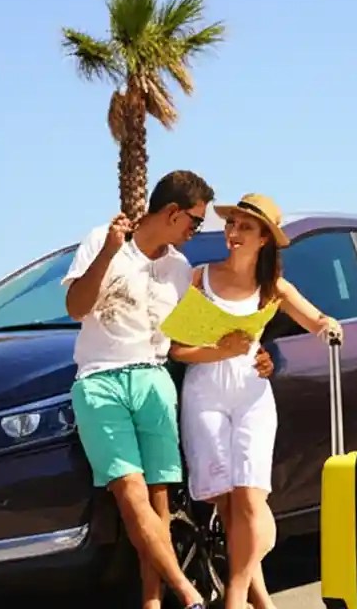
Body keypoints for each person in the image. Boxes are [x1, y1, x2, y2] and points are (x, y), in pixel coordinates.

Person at [62, 170, 273, 609]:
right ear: (173, 213)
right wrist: (108, 254)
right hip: (101, 380)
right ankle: (188, 592)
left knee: (158, 503)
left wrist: (247, 349)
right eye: (195, 223)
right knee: (130, 493)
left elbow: (189, 339)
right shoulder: (103, 240)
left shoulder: (180, 269)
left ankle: (153, 601)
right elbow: (76, 308)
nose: (197, 233)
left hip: (155, 379)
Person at [169, 193, 341, 609]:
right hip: (205, 391)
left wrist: (329, 326)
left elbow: (316, 319)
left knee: (250, 498)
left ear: (265, 238)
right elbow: (177, 349)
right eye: (232, 225)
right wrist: (222, 350)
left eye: (245, 227)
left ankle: (234, 596)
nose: (234, 233)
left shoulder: (273, 288)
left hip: (252, 394)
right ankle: (261, 600)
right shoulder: (199, 277)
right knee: (226, 505)